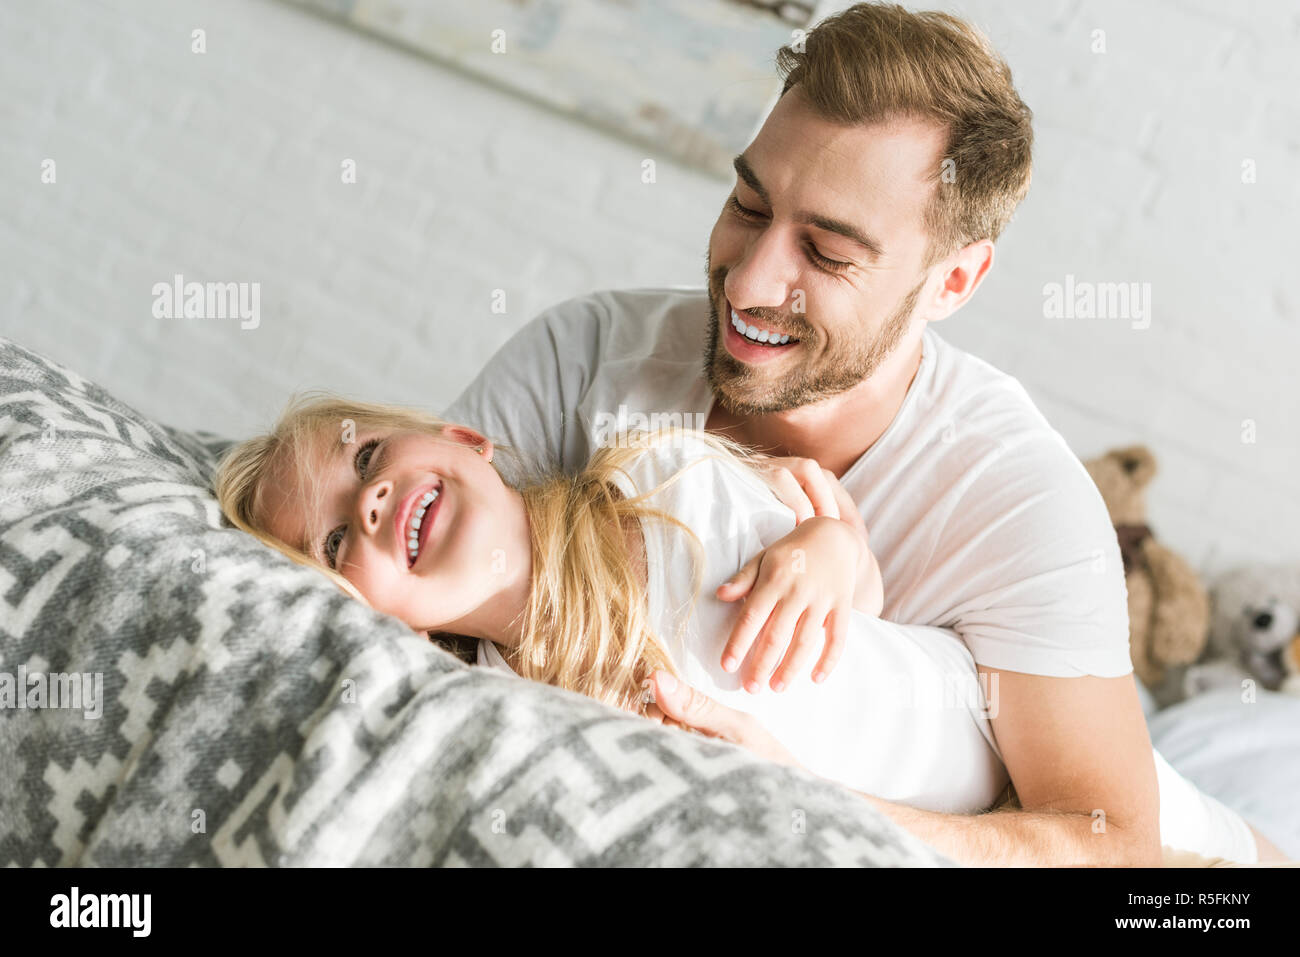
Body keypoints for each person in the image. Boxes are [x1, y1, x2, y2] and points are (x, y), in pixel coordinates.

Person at [440, 3, 1287, 864]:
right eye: (748, 202)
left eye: (829, 253)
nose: (749, 280)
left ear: (954, 279)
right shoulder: (584, 361)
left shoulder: (1017, 502)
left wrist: (793, 799)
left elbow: (1113, 841)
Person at [213, 398, 1271, 864]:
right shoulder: (510, 701)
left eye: (364, 463)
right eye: (338, 544)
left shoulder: (658, 478)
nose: (375, 505)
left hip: (1050, 776)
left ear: (462, 439)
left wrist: (830, 555)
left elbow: (854, 584)